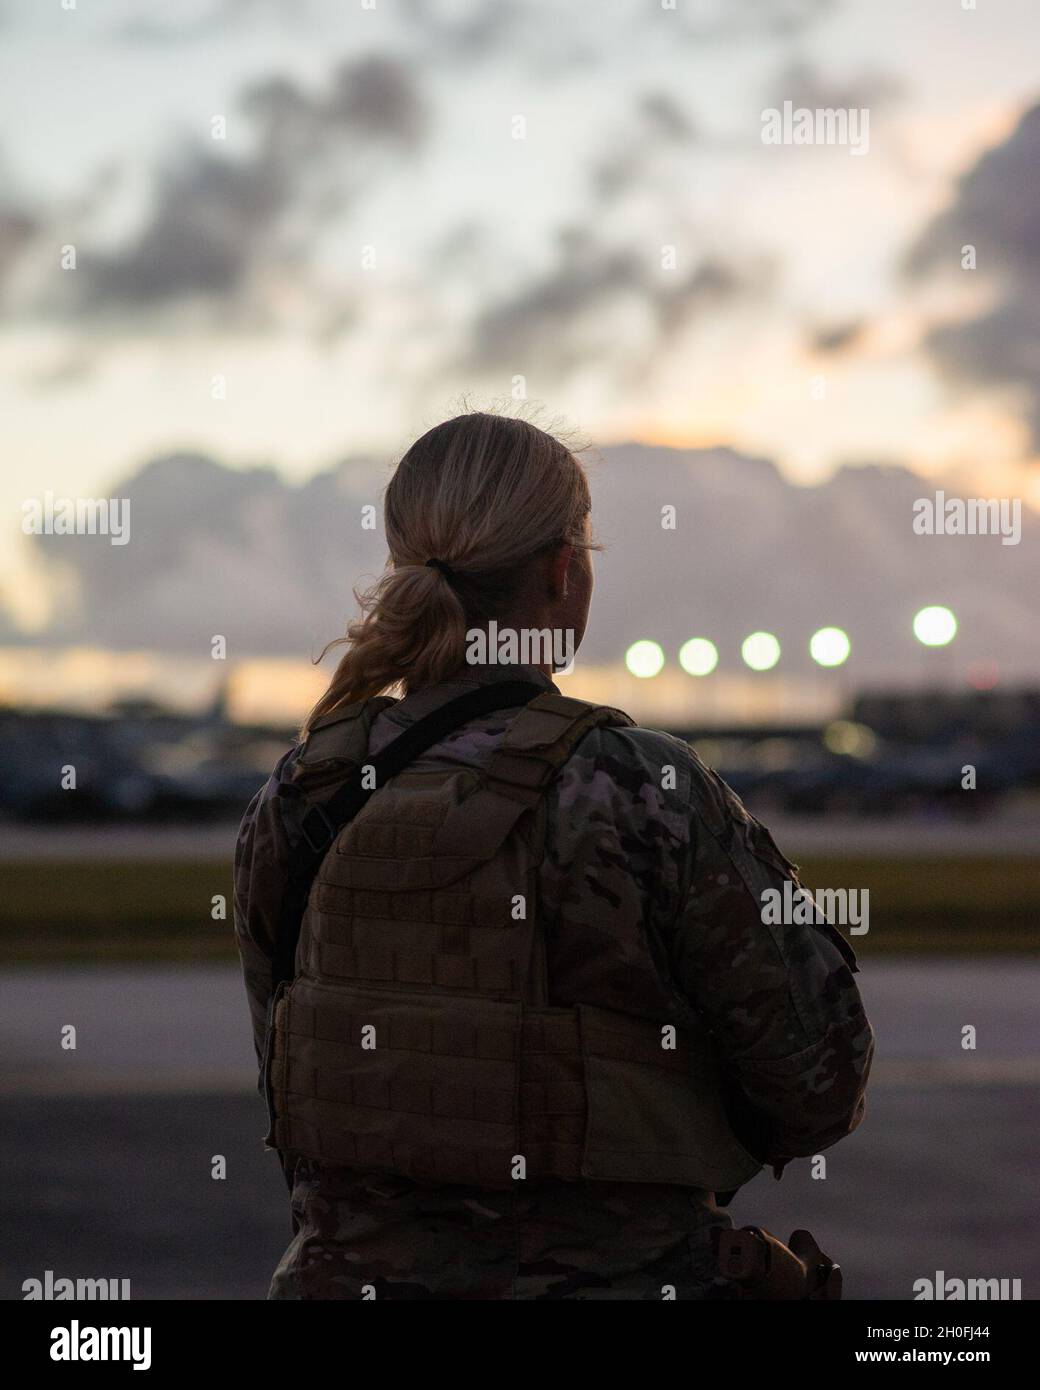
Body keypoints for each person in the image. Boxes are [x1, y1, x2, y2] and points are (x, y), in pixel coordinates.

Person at [233, 410, 874, 1300]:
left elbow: (295, 1079)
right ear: (564, 573)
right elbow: (818, 1082)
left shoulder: (303, 794)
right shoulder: (638, 789)